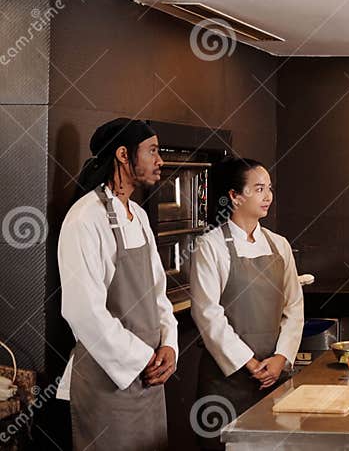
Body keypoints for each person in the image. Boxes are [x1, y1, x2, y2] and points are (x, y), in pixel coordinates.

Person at [56, 118, 177, 450]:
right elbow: (83, 312)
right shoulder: (84, 219)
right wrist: (143, 359)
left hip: (150, 380)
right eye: (152, 151)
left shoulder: (137, 214)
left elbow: (158, 294)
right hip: (109, 383)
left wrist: (169, 346)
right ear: (124, 155)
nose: (160, 160)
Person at [190, 156, 303, 443]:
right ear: (235, 197)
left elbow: (294, 306)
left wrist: (281, 358)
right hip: (227, 380)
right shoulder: (210, 245)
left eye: (269, 188)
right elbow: (207, 314)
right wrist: (250, 363)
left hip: (275, 376)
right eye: (259, 189)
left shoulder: (280, 245)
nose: (268, 196)